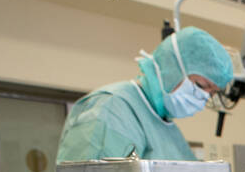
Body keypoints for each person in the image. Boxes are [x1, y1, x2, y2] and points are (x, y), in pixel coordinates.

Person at [56, 27, 234, 163]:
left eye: (212, 93)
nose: (203, 97)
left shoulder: (166, 127)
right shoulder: (111, 108)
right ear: (172, 68)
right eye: (201, 85)